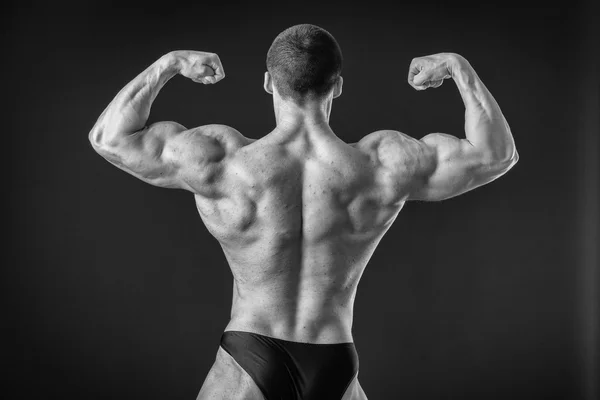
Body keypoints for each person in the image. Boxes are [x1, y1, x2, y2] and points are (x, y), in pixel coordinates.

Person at [89, 24, 518, 400]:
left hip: (249, 353)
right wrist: (458, 66)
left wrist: (170, 63)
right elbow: (496, 155)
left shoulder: (223, 162)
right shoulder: (381, 165)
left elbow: (109, 137)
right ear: (338, 85)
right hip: (334, 357)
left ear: (267, 83)